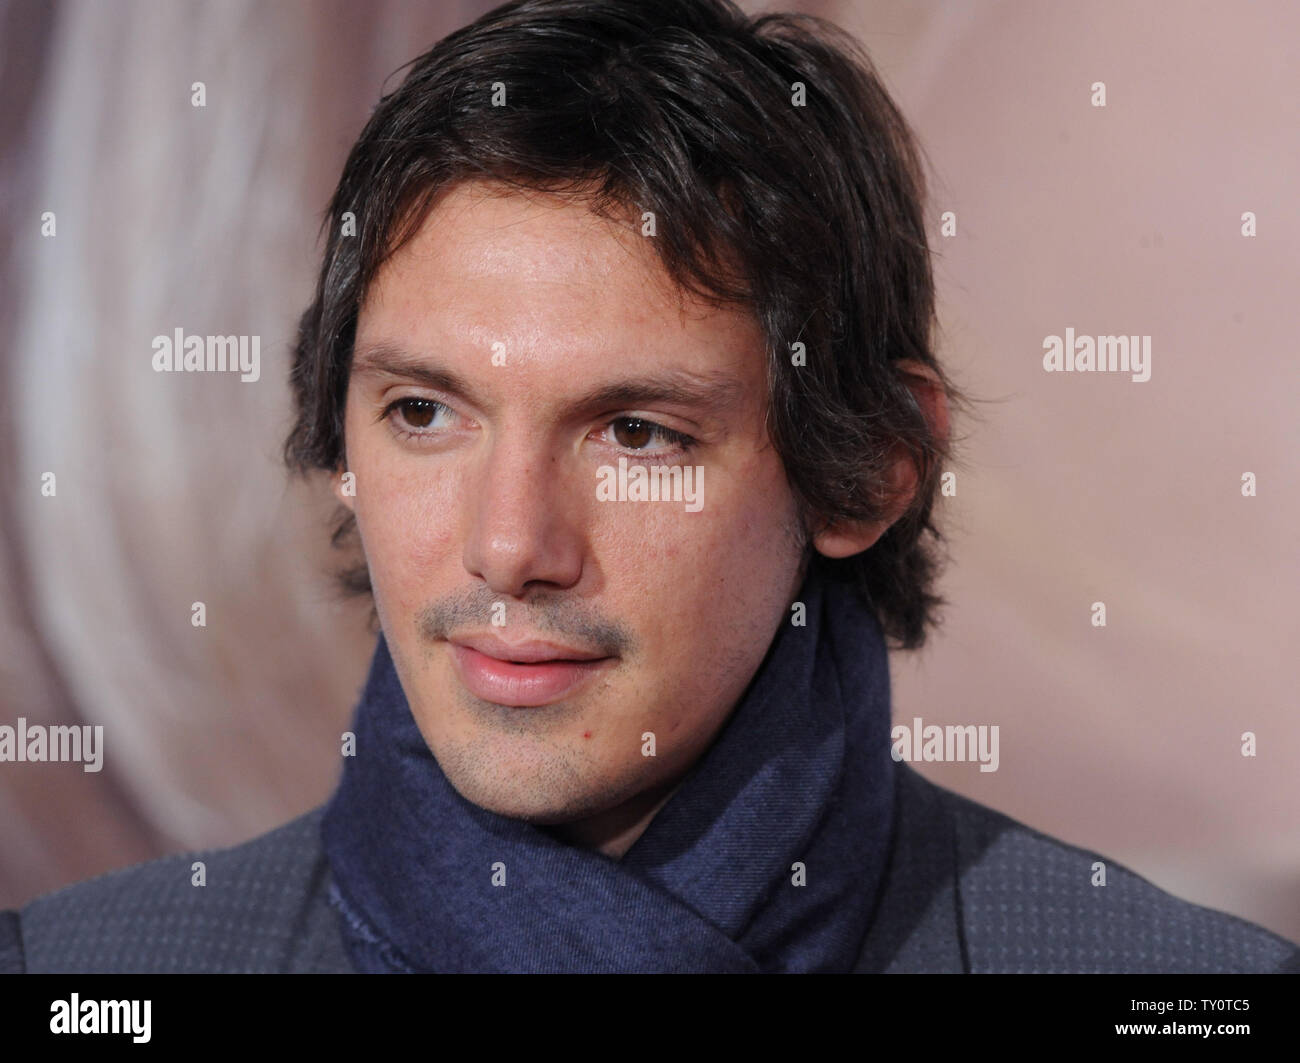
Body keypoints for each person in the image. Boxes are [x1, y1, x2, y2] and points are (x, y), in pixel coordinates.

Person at [5, 0, 1295, 974]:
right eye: (422, 412)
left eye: (637, 431)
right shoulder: (81, 979)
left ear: (871, 470)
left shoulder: (1178, 989)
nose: (509, 544)